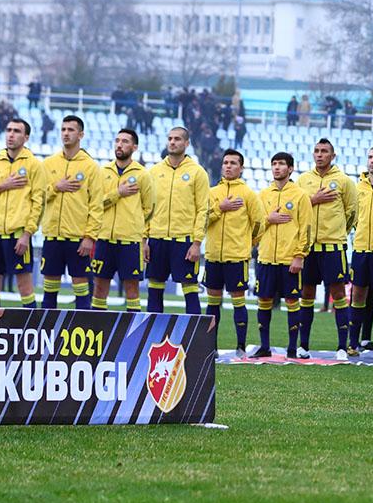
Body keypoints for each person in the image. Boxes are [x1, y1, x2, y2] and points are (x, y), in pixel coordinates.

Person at [297, 138, 358, 359]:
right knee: (306, 294)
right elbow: (297, 209)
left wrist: (338, 231)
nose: (320, 154)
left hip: (333, 246)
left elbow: (352, 212)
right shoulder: (303, 180)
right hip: (308, 247)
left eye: (324, 151)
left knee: (338, 294)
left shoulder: (344, 181)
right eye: (316, 151)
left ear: (333, 156)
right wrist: (313, 200)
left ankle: (342, 347)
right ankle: (303, 345)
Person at [204, 149, 266, 354]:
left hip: (237, 257)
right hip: (213, 256)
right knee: (212, 303)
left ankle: (240, 346)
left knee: (238, 302)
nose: (228, 166)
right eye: (225, 163)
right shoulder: (212, 193)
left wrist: (248, 244)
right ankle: (210, 347)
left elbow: (259, 224)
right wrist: (220, 208)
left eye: (233, 163)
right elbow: (202, 221)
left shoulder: (248, 194)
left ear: (241, 168)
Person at [252, 152, 313, 358]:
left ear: (291, 169)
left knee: (292, 301)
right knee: (264, 299)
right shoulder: (263, 195)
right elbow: (256, 226)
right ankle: (264, 346)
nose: (277, 167)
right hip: (266, 258)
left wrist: (299, 256)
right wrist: (268, 219)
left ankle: (292, 348)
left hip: (289, 259)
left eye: (281, 164)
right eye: (274, 164)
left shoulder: (300, 195)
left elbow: (307, 228)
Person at [0, 118, 46, 309]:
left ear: (26, 137)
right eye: (9, 130)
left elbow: (39, 203)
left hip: (18, 235)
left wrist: (27, 234)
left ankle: (32, 324)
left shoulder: (34, 165)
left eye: (16, 131)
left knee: (24, 287)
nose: (11, 134)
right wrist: (1, 186)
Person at [40, 116, 102, 309]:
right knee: (49, 290)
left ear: (80, 135)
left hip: (78, 239)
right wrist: (56, 187)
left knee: (81, 289)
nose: (66, 133)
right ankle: (47, 326)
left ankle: (83, 326)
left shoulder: (91, 166)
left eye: (71, 130)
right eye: (63, 129)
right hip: (52, 236)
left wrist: (89, 237)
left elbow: (96, 206)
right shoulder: (48, 163)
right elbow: (38, 196)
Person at [146, 127, 210, 314]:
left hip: (184, 241)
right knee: (154, 289)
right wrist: (144, 240)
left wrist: (197, 243)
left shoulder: (198, 172)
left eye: (177, 139)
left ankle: (194, 332)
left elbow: (203, 210)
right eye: (170, 139)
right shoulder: (154, 171)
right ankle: (153, 330)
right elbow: (146, 208)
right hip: (156, 240)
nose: (172, 142)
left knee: (190, 289)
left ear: (187, 143)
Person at [91, 129, 155, 313]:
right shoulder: (103, 172)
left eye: (125, 141)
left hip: (130, 242)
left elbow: (149, 209)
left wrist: (141, 235)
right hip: (104, 239)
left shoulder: (143, 174)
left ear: (134, 147)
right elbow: (95, 204)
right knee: (99, 288)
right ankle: (98, 328)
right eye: (117, 140)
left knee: (132, 290)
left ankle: (133, 331)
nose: (119, 145)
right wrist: (117, 193)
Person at [350, 147, 373, 356]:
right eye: (370, 157)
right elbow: (352, 215)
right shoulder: (357, 187)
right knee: (358, 294)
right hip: (361, 248)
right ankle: (353, 343)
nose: (372, 161)